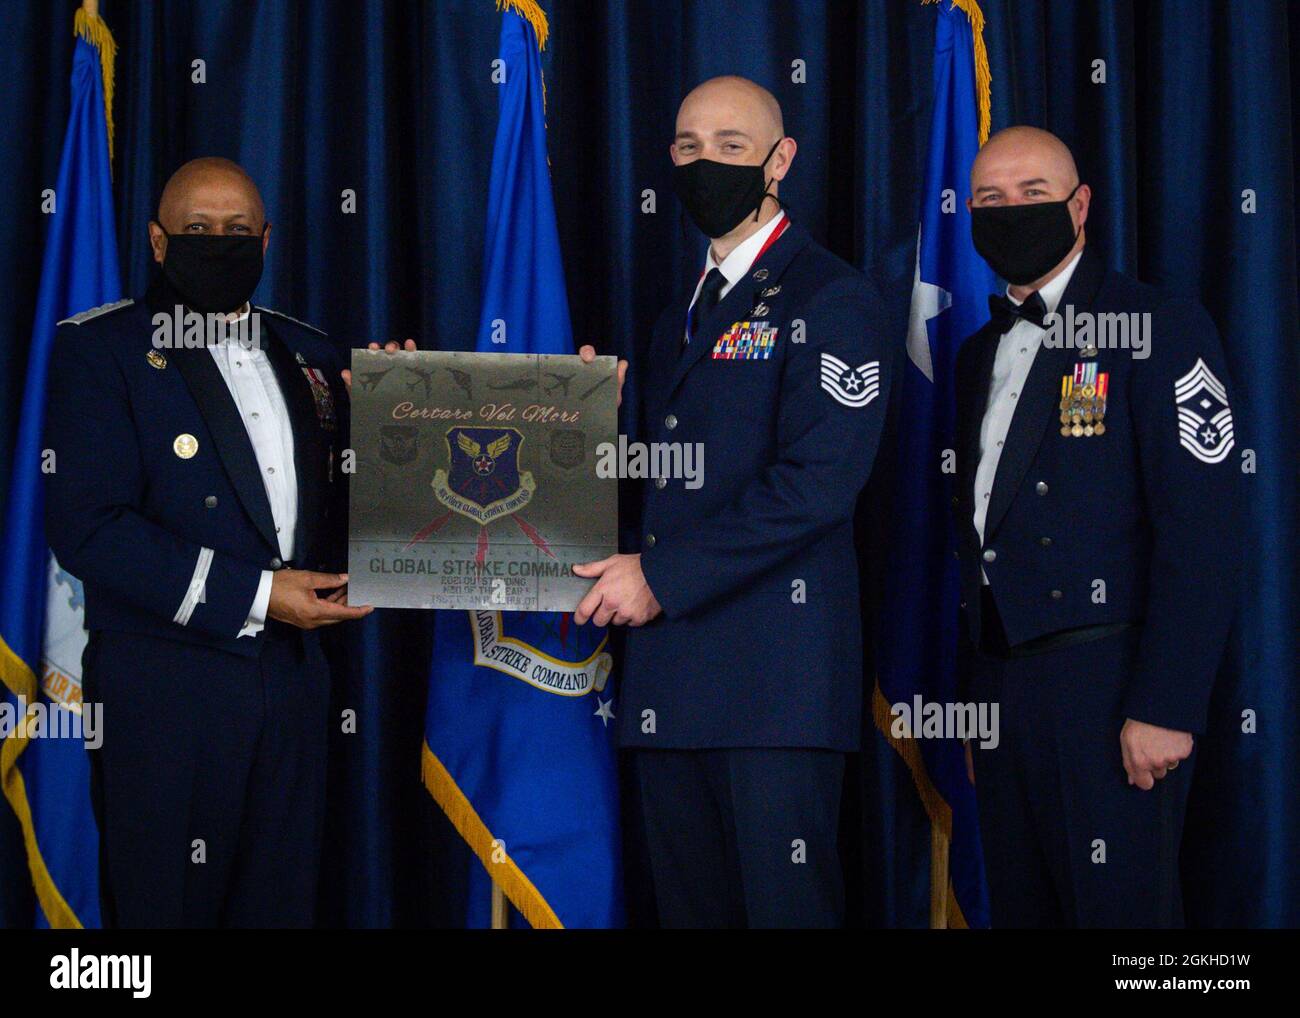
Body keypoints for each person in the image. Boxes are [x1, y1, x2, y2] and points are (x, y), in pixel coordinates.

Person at [44, 157, 405, 927]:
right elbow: (88, 528)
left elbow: (377, 500)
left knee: (279, 907)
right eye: (197, 230)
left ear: (267, 240)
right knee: (162, 911)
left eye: (237, 230)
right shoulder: (101, 349)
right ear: (157, 240)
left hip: (295, 687)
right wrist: (259, 595)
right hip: (163, 691)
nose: (219, 242)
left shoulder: (313, 354)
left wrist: (413, 410)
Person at [573, 76, 893, 928]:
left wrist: (659, 578)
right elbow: (651, 477)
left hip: (773, 693)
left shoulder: (832, 297)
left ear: (780, 161)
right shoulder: (676, 314)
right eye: (686, 146)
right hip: (670, 689)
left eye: (730, 146)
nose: (703, 162)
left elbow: (817, 485)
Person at [954, 126, 1243, 927]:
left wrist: (1168, 704)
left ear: (1081, 206)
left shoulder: (1155, 325)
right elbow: (977, 540)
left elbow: (1205, 530)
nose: (1009, 212)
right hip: (1006, 694)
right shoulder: (978, 353)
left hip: (1113, 693)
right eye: (989, 199)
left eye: (1032, 195)